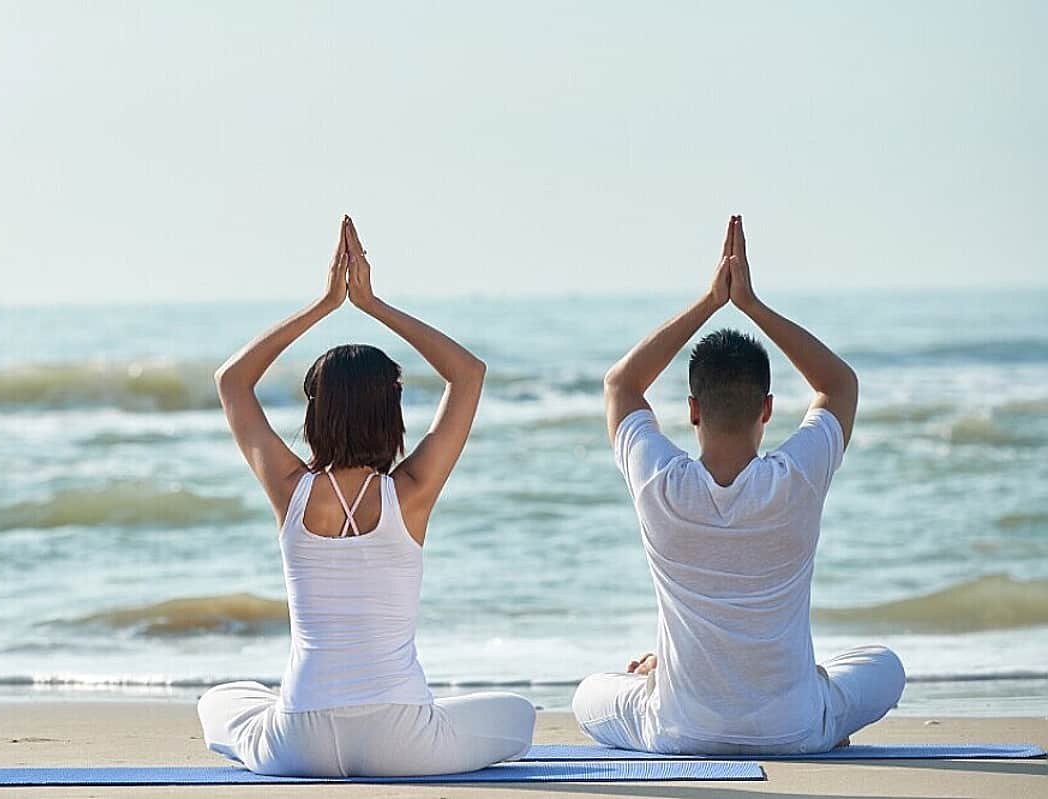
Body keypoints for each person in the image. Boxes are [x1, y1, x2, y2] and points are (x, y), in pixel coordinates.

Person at [197, 216, 535, 777]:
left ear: (314, 411)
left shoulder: (291, 492)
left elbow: (232, 381)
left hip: (298, 740)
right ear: (392, 412)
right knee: (518, 715)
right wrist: (373, 303)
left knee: (222, 700)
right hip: (402, 740)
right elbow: (468, 374)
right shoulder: (413, 491)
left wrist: (327, 303)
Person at [572, 215, 904, 755]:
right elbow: (838, 383)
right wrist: (750, 304)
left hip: (678, 733)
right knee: (885, 667)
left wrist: (710, 300)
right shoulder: (797, 476)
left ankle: (663, 674)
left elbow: (621, 384)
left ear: (693, 410)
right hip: (795, 730)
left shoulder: (660, 481)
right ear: (768, 409)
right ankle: (807, 686)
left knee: (588, 695)